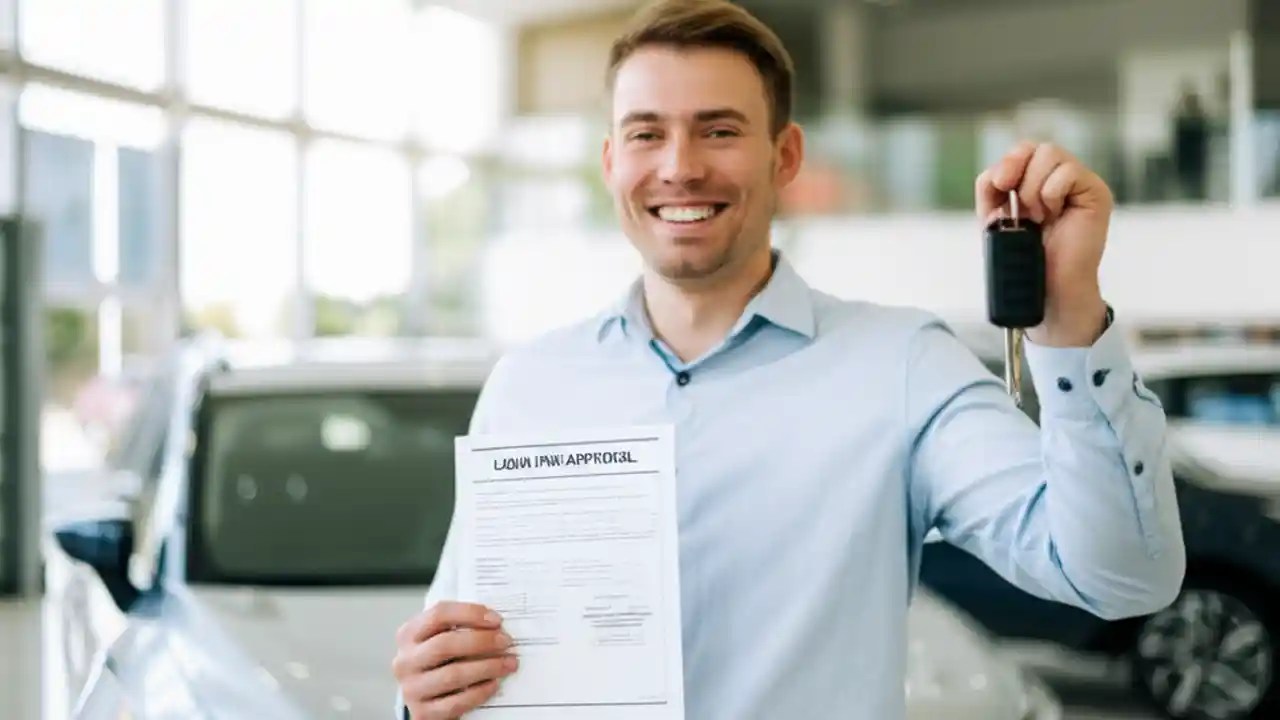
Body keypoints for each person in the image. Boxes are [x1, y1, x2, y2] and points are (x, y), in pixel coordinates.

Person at [391, 1, 1186, 718]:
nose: (679, 165)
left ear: (786, 156)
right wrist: (426, 692)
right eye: (646, 133)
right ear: (611, 163)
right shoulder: (529, 386)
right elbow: (460, 659)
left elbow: (1121, 577)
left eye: (719, 129)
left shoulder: (902, 367)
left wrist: (1070, 317)